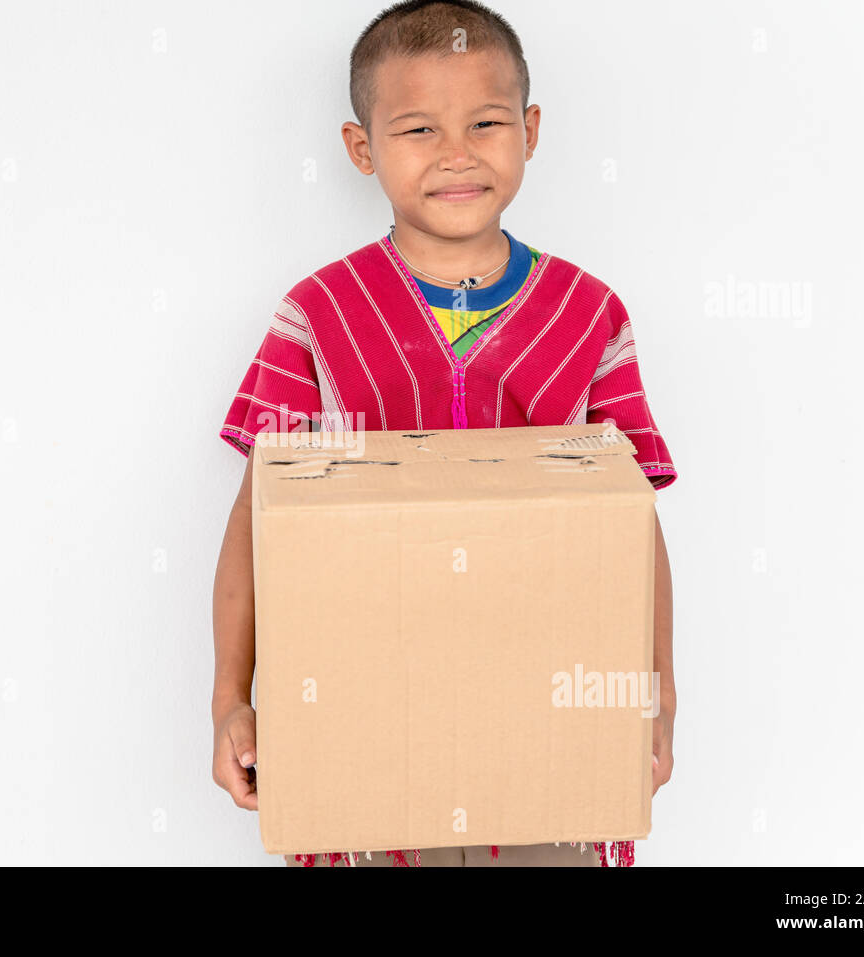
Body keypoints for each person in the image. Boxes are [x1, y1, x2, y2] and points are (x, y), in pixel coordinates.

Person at [211, 0, 677, 867]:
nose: (457, 153)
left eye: (486, 123)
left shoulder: (589, 315)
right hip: (361, 730)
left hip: (549, 735)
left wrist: (653, 694)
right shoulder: (317, 317)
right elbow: (256, 519)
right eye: (419, 128)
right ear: (362, 148)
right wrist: (229, 698)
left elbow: (629, 521)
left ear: (530, 131)